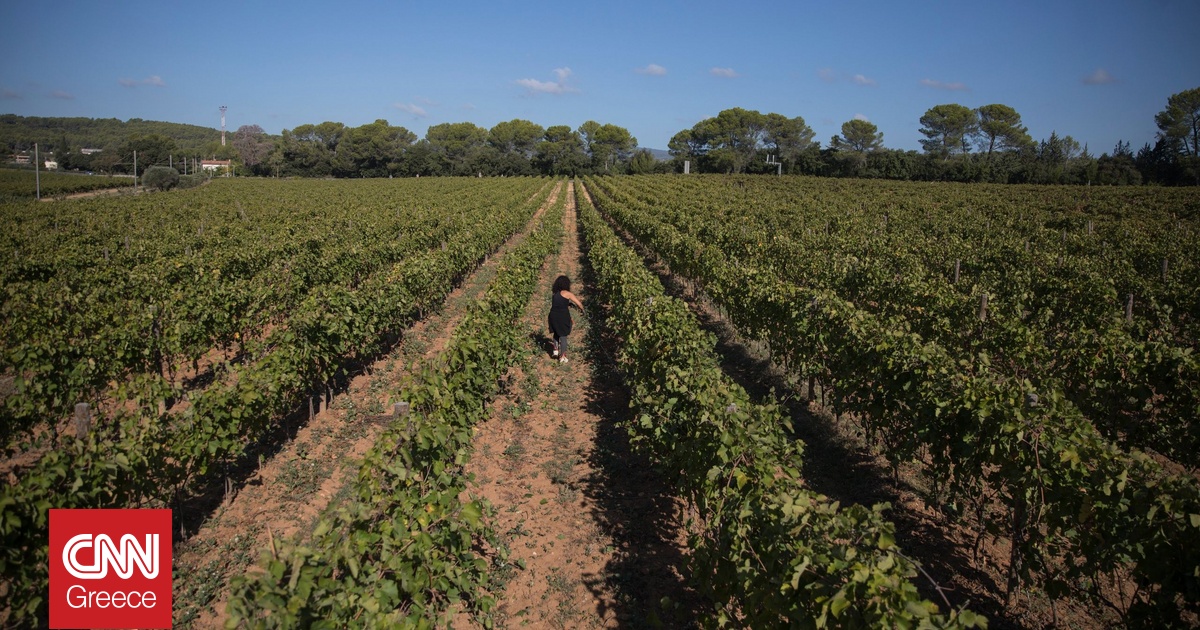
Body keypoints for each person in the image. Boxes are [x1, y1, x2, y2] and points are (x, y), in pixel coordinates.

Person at [548, 275, 584, 364]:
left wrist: (568, 305)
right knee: (563, 336)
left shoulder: (555, 294)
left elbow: (560, 304)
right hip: (562, 316)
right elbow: (579, 303)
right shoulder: (568, 293)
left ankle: (555, 349)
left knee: (556, 332)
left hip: (552, 315)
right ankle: (563, 356)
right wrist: (582, 310)